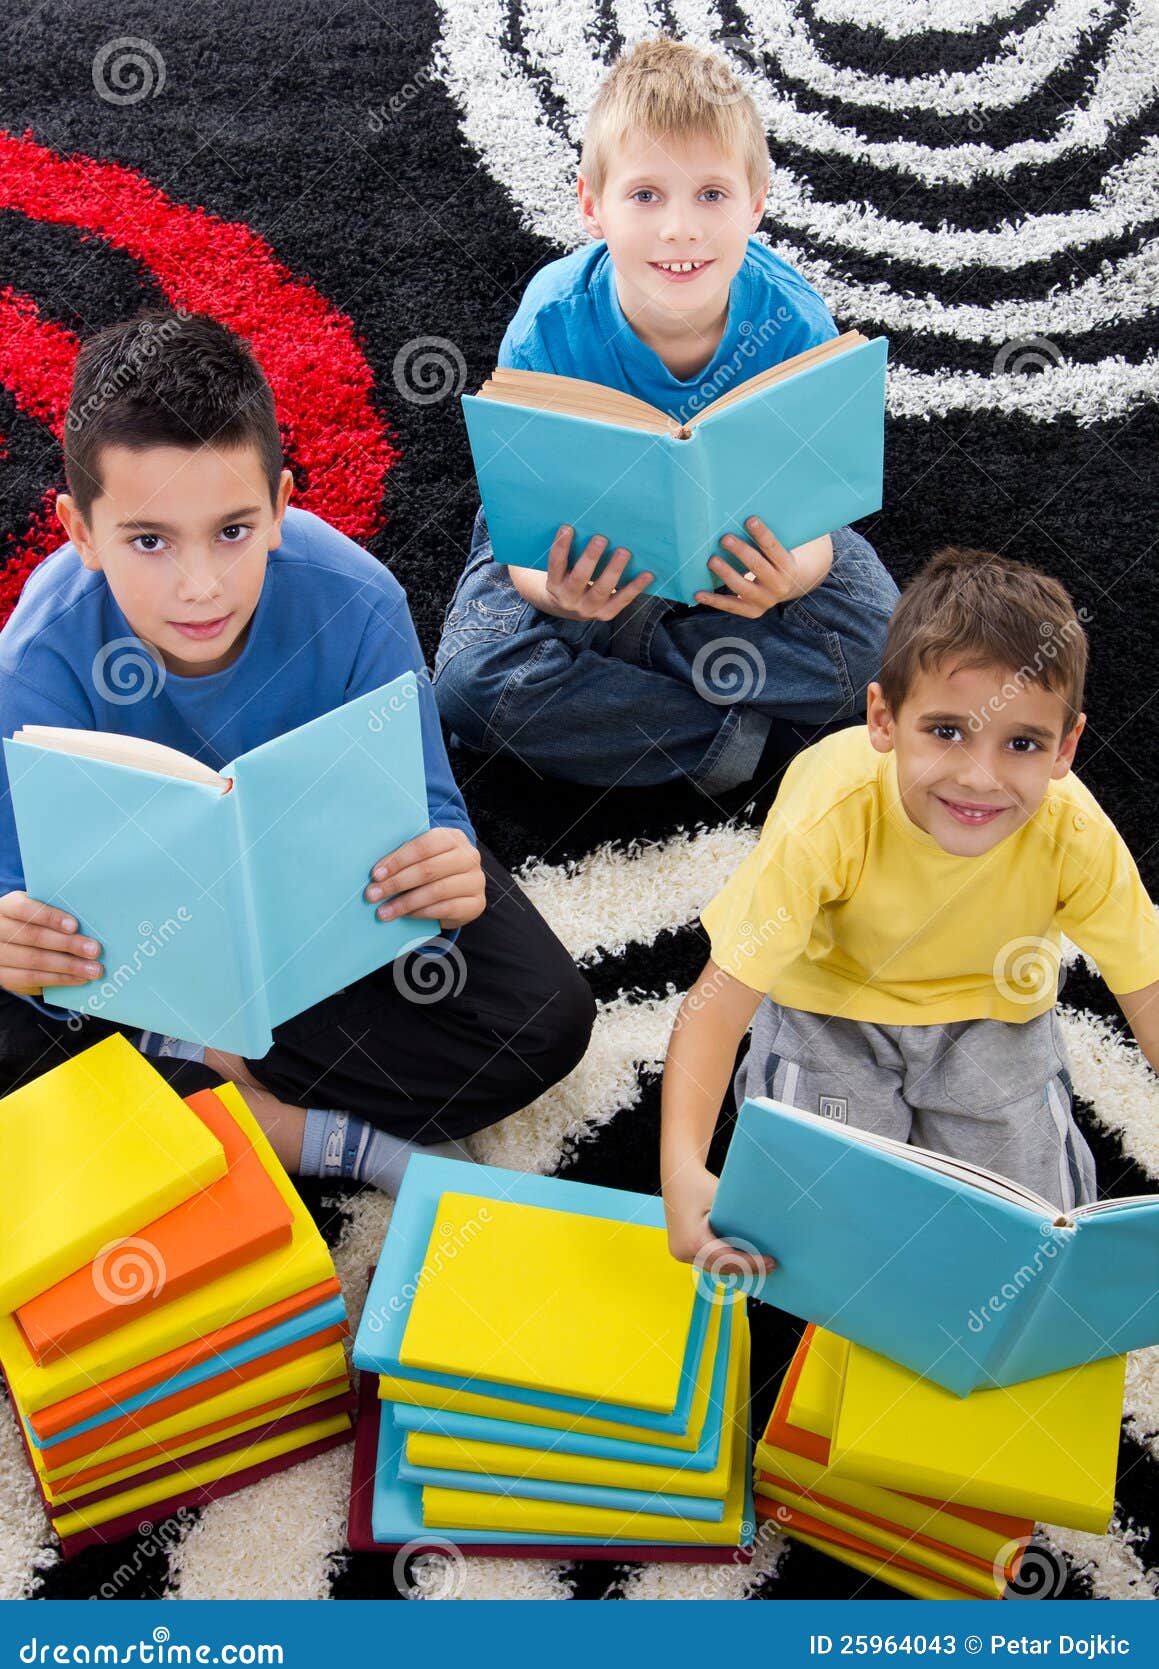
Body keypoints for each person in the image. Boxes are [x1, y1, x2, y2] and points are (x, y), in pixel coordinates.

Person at [0, 311, 594, 1195]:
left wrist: (447, 862)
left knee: (544, 1021)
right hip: (133, 954)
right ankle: (316, 1133)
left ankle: (196, 1071)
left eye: (232, 531)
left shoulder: (357, 599)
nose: (199, 585)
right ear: (80, 532)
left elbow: (430, 815)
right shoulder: (37, 656)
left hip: (327, 918)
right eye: (149, 540)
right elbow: (21, 894)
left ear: (281, 508)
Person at [661, 547, 1159, 1266]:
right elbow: (716, 1006)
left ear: (1065, 747)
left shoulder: (1073, 832)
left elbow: (1147, 992)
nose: (978, 778)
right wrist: (680, 1172)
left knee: (1036, 1246)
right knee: (815, 1242)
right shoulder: (829, 818)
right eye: (946, 731)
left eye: (1021, 743)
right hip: (829, 1013)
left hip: (995, 1018)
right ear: (883, 718)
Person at [434, 34, 898, 795]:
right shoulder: (549, 324)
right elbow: (520, 525)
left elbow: (814, 513)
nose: (679, 228)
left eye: (710, 195)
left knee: (888, 657)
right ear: (592, 205)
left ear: (755, 203)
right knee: (468, 685)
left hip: (753, 539)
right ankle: (731, 728)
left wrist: (789, 580)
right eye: (645, 195)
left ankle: (632, 657)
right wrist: (558, 595)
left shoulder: (793, 324)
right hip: (574, 546)